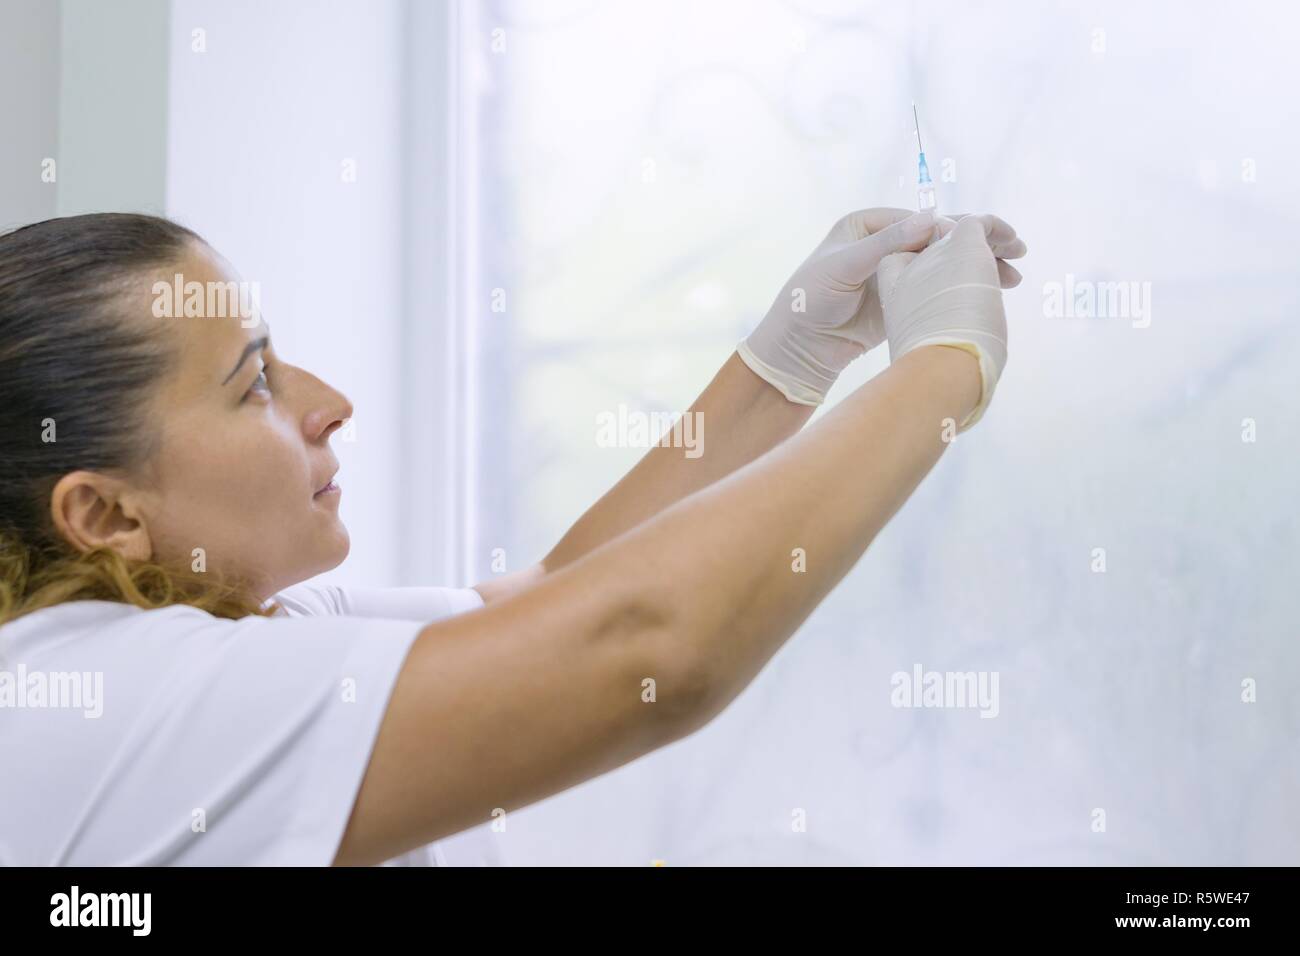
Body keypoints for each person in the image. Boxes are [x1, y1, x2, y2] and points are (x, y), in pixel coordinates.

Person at [0, 207, 1025, 865]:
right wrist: (942, 370)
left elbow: (553, 598)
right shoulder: (102, 694)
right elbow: (650, 646)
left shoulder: (235, 627)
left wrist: (790, 361)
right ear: (106, 516)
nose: (330, 403)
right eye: (255, 381)